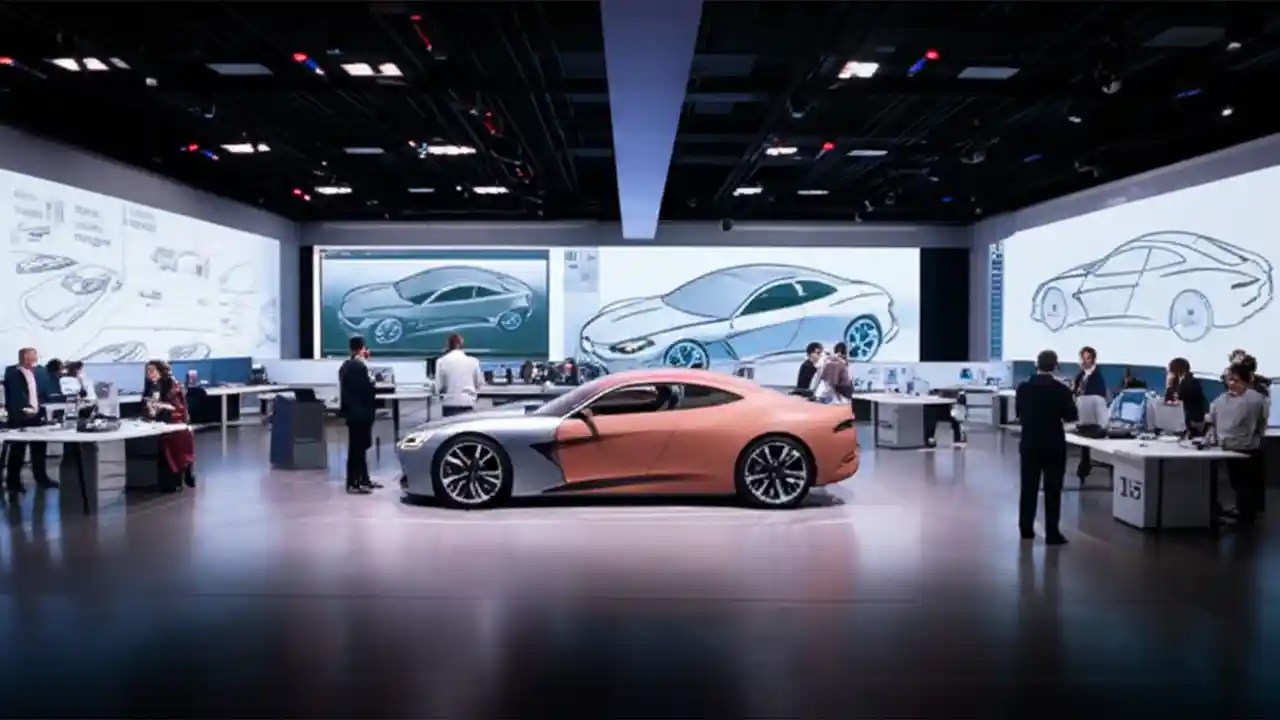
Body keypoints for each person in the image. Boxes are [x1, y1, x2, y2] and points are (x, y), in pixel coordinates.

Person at [1015, 349, 1078, 545]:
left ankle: (1026, 529)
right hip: (1053, 444)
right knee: (1053, 489)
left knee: (1028, 486)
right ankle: (1052, 533)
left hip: (1030, 443)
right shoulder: (1062, 390)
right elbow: (1070, 416)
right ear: (1056, 366)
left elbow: (1019, 414)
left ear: (1037, 364)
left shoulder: (1023, 388)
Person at [1209, 363, 1269, 525]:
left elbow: (1260, 423)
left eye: (1235, 380)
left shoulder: (1255, 400)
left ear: (1245, 381)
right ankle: (1243, 513)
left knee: (1244, 484)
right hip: (1230, 446)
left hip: (1247, 447)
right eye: (1229, 380)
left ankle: (1245, 515)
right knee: (1237, 483)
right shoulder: (1222, 400)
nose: (1231, 384)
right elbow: (1213, 418)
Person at [3, 347, 57, 494]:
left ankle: (42, 478)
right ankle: (13, 482)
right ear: (21, 358)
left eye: (34, 357)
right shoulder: (12, 372)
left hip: (37, 416)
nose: (32, 360)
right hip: (19, 417)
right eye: (28, 358)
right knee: (17, 450)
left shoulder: (40, 372)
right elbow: (14, 395)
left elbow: (45, 390)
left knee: (39, 449)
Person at [142, 360, 196, 492]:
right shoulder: (152, 386)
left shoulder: (172, 386)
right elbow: (147, 407)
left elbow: (178, 408)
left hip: (175, 422)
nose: (150, 374)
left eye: (153, 370)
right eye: (148, 371)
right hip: (159, 423)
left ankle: (178, 477)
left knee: (171, 443)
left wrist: (161, 406)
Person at [339, 336, 378, 494]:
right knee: (357, 448)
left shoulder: (346, 366)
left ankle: (363, 478)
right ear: (362, 348)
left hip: (354, 413)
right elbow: (367, 388)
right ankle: (355, 482)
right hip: (360, 413)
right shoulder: (358, 367)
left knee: (359, 447)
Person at [1071, 346, 1106, 481]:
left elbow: (1099, 398)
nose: (1084, 362)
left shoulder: (1097, 377)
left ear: (1093, 360)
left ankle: (1085, 467)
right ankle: (1084, 467)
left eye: (1088, 359)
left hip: (1092, 417)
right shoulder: (1080, 375)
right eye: (1082, 358)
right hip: (1081, 414)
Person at [436, 333, 484, 417]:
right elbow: (479, 383)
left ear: (448, 345)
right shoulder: (473, 361)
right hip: (468, 401)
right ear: (461, 344)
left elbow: (439, 386)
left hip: (449, 402)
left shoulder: (441, 361)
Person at [1166, 357, 1207, 437]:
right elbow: (1168, 399)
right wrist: (1169, 386)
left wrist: (1172, 388)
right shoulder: (1177, 381)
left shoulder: (1192, 382)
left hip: (1192, 420)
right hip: (1180, 418)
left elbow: (1182, 400)